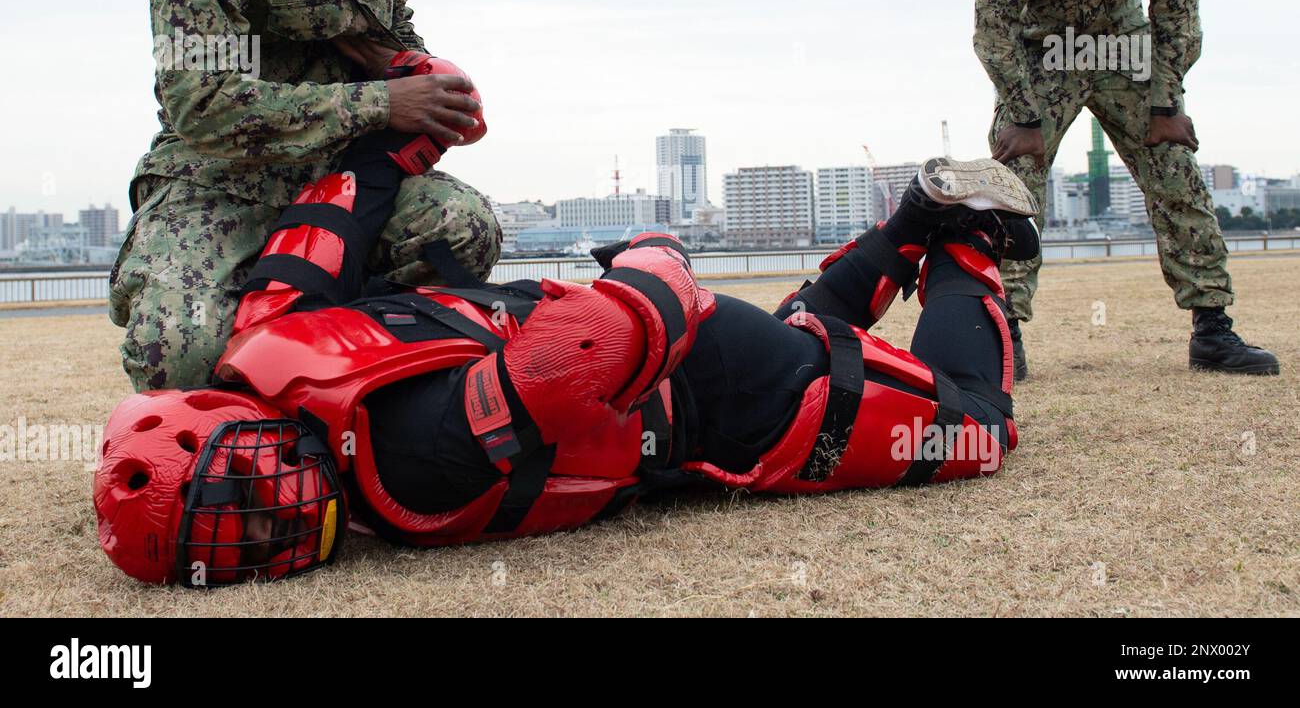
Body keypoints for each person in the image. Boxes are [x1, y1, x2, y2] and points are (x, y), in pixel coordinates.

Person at [95, 145, 1040, 586]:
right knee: (806, 329)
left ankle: (965, 244)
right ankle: (912, 225)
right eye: (235, 539)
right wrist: (397, 137)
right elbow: (328, 220)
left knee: (977, 426)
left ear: (224, 420)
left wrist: (654, 252)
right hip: (707, 375)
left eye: (237, 503)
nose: (267, 528)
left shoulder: (410, 459)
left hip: (721, 395)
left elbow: (605, 339)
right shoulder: (268, 336)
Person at [108, 0, 501, 395]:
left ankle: (363, 395)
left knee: (461, 227)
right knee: (179, 348)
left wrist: (419, 75)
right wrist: (383, 102)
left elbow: (395, 34)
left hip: (345, 176)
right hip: (218, 182)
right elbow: (202, 104)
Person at [973, 0, 1278, 378]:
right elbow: (993, 28)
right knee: (1013, 185)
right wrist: (1022, 114)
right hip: (1044, 52)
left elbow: (1178, 10)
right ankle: (1003, 338)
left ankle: (1212, 329)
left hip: (1125, 48)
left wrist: (1167, 101)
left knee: (1175, 172)